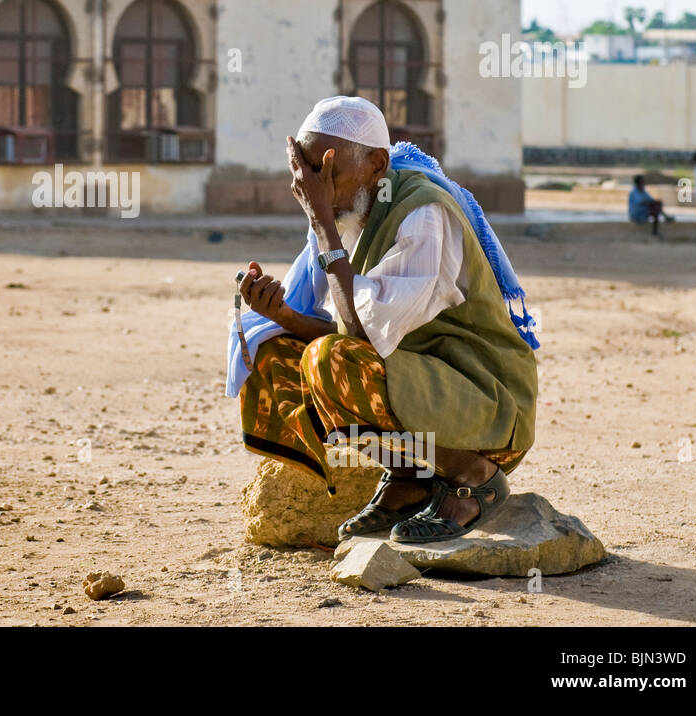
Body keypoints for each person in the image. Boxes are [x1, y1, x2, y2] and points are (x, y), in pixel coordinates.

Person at [227, 96, 539, 543]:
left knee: (329, 360)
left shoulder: (422, 214)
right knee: (275, 352)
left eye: (329, 171)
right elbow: (352, 335)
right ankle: (410, 478)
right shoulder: (349, 212)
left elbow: (358, 338)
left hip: (486, 404)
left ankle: (474, 478)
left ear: (376, 164)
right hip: (424, 385)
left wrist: (322, 226)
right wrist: (281, 315)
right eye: (309, 171)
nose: (315, 186)